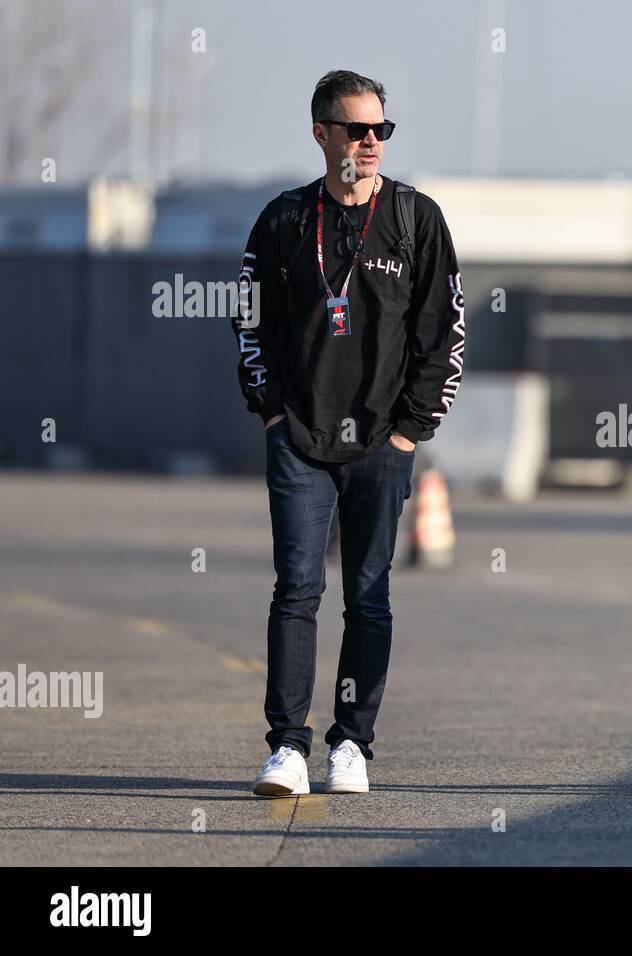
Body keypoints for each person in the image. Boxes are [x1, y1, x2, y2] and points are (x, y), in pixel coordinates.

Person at [232, 70, 465, 796]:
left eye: (381, 131)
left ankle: (351, 743)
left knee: (367, 594)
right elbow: (248, 320)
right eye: (357, 130)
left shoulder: (415, 218)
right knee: (297, 588)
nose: (370, 143)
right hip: (298, 438)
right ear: (321, 133)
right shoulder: (283, 221)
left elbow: (445, 335)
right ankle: (288, 748)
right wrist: (269, 410)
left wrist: (409, 432)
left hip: (381, 444)